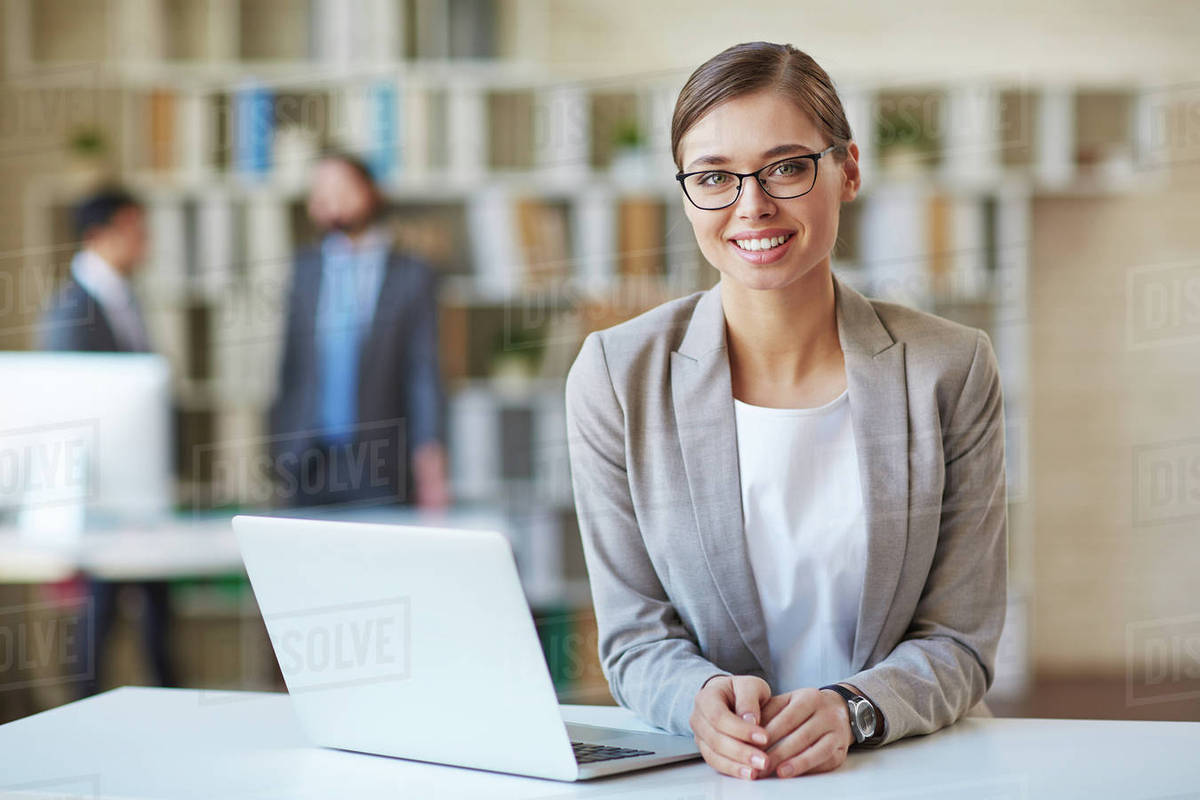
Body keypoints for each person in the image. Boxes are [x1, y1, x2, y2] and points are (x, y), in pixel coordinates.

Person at [564, 42, 1007, 780]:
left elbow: (960, 638)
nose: (752, 205)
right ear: (686, 194)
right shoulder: (616, 376)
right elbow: (636, 638)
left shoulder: (950, 369)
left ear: (849, 170)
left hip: (908, 767)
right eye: (714, 177)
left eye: (786, 167)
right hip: (716, 775)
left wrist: (854, 708)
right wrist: (699, 697)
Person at [38, 186, 176, 696]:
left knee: (158, 630)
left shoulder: (126, 298)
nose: (145, 243)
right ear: (99, 235)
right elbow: (65, 414)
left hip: (142, 497)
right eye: (135, 231)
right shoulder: (70, 310)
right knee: (96, 635)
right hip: (96, 504)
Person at [270, 153, 449, 509]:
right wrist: (279, 451)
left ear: (370, 192)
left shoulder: (411, 274)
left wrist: (429, 460)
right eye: (318, 190)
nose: (326, 198)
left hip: (379, 462)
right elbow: (289, 369)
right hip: (309, 460)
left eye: (338, 186)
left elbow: (423, 372)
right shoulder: (304, 269)